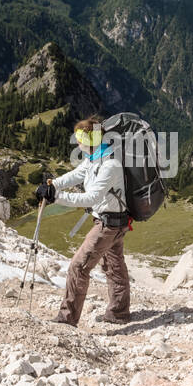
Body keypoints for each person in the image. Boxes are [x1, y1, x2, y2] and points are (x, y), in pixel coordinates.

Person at [35, 115, 130, 326]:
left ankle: (67, 319)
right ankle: (119, 313)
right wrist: (52, 185)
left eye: (80, 139)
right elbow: (76, 175)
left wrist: (56, 197)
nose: (77, 143)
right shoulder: (95, 158)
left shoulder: (110, 165)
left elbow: (91, 198)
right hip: (115, 221)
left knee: (78, 267)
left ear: (89, 141)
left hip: (108, 224)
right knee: (114, 267)